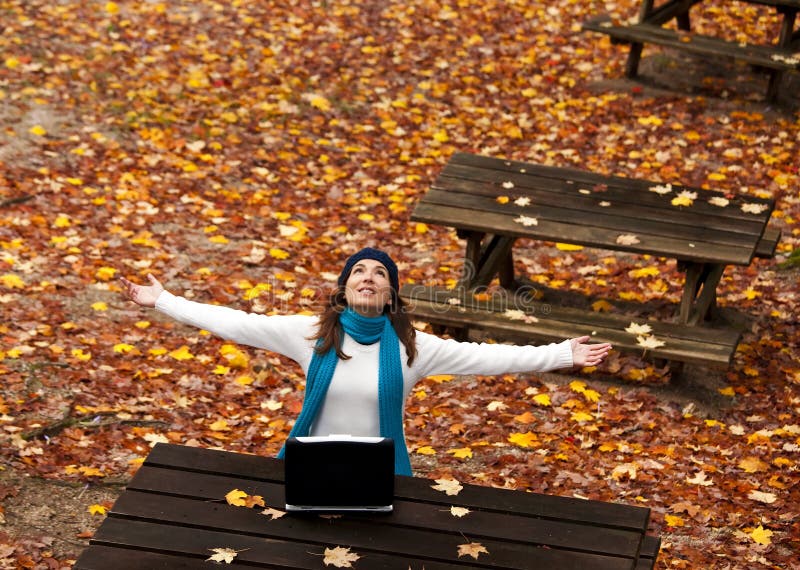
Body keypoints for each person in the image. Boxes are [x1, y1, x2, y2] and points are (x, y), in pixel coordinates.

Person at [120, 247, 611, 475]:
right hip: (307, 471)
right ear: (345, 288)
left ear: (391, 293)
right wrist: (164, 301)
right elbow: (237, 321)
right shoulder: (309, 334)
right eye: (359, 271)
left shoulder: (413, 348)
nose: (369, 277)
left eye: (380, 273)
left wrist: (561, 353)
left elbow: (488, 357)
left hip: (383, 477)